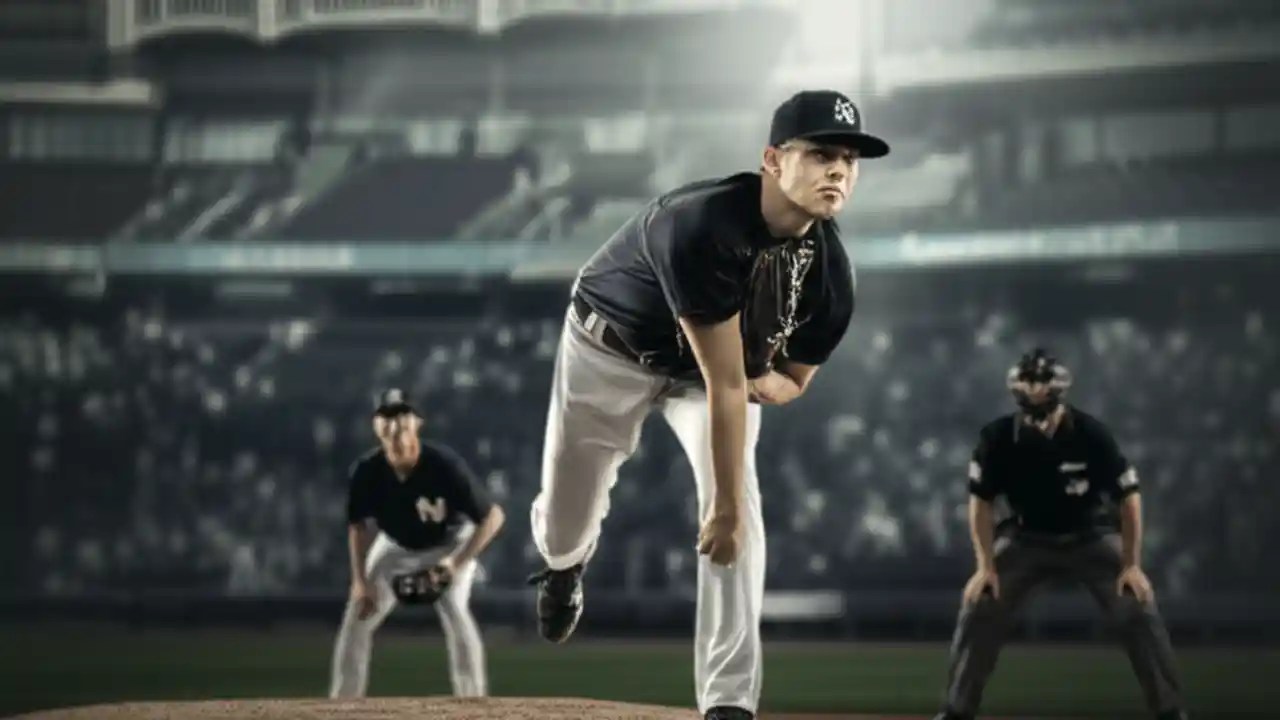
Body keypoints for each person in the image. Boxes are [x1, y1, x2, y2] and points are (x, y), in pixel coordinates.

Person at [527, 89, 891, 720]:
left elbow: (793, 376)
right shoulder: (702, 224)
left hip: (707, 377)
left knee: (741, 504)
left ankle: (728, 702)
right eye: (822, 153)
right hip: (607, 349)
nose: (839, 169)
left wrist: (768, 392)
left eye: (851, 160)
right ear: (773, 160)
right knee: (568, 510)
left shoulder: (833, 274)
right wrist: (718, 508)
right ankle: (562, 569)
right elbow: (725, 382)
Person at [933, 349, 1187, 720]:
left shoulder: (1092, 434)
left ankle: (1170, 710)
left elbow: (1129, 498)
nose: (1041, 421)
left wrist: (1131, 565)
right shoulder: (997, 438)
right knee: (980, 605)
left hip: (1089, 535)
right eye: (1030, 390)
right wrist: (984, 566)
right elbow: (980, 502)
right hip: (1025, 538)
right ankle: (956, 711)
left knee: (1136, 606)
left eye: (1045, 404)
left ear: (1059, 396)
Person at [330, 389, 505, 699]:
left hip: (448, 543)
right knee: (359, 611)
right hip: (396, 546)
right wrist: (360, 581)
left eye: (402, 414)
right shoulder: (367, 471)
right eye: (387, 416)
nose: (395, 424)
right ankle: (342, 703)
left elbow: (493, 517)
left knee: (454, 608)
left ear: (417, 422)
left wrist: (455, 564)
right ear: (375, 425)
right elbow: (357, 526)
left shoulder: (443, 464)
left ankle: (474, 703)